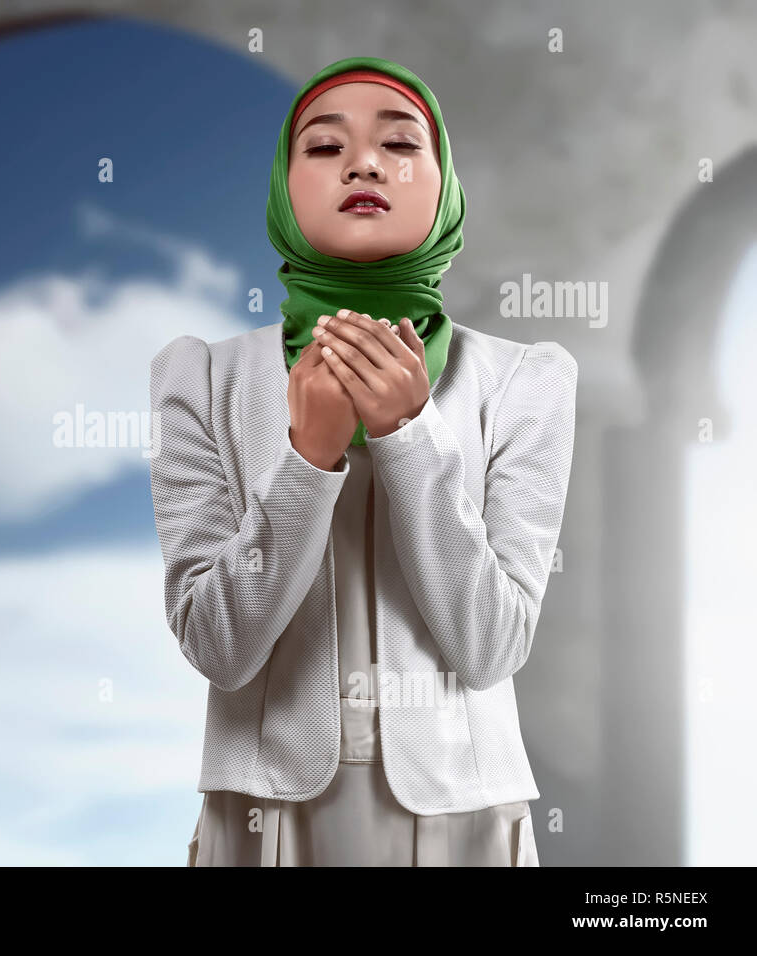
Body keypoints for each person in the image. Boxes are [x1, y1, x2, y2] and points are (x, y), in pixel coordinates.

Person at [148, 56, 577, 866]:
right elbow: (218, 649)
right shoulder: (201, 378)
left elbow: (490, 648)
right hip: (263, 821)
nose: (364, 163)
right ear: (284, 188)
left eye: (401, 143)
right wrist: (307, 461)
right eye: (322, 146)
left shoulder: (526, 380)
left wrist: (408, 433)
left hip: (468, 820)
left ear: (445, 185)